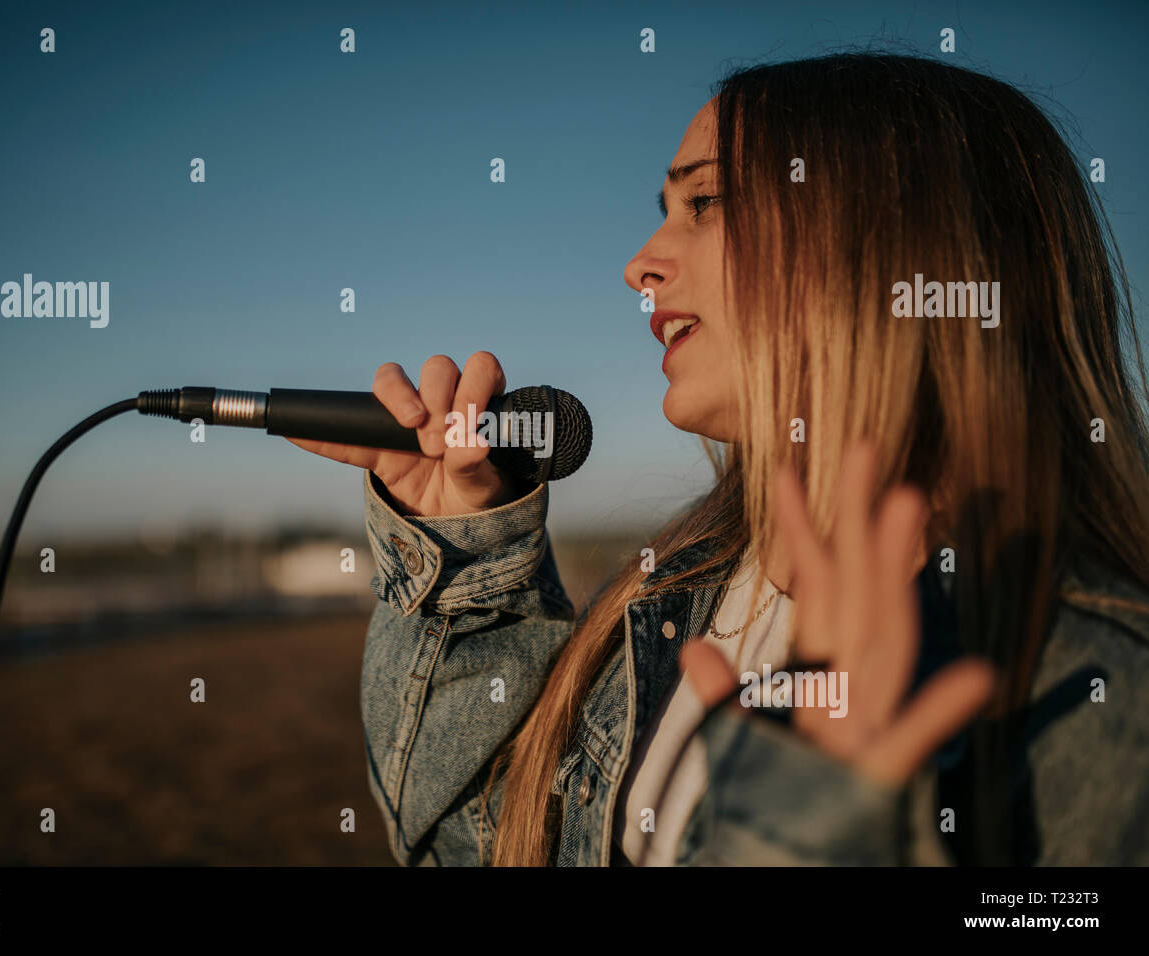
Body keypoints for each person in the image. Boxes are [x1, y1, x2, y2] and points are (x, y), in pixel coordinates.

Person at [287, 52, 1149, 866]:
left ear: (899, 239)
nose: (640, 266)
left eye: (706, 203)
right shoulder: (680, 592)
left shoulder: (1098, 691)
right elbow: (479, 841)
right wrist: (463, 542)